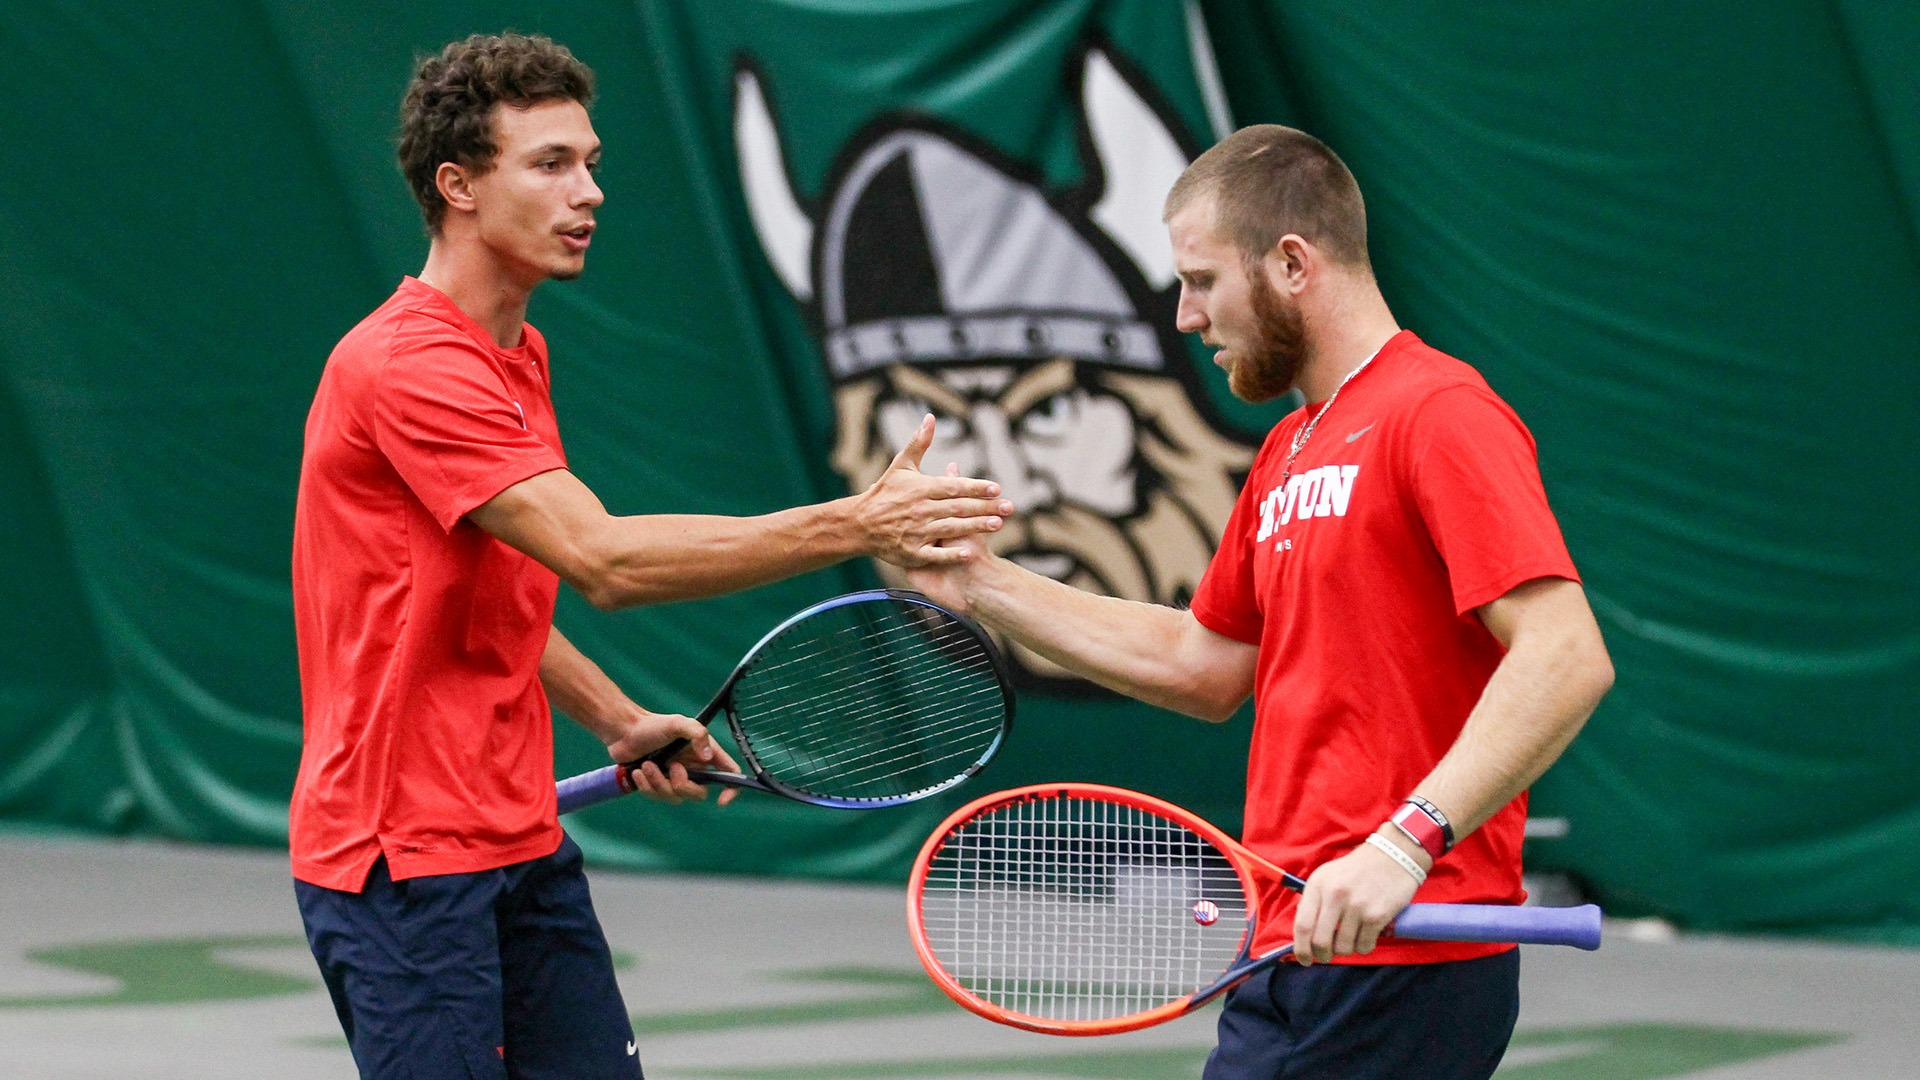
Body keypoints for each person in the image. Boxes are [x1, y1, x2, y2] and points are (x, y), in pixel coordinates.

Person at [288, 33, 1009, 1080]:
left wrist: (620, 720)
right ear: (459, 187)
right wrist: (857, 523)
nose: (589, 192)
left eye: (590, 162)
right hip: (402, 866)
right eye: (549, 165)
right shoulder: (411, 367)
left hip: (518, 841)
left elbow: (483, 598)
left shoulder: (513, 355)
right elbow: (605, 563)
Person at [908, 124, 1614, 1080]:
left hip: (1403, 951)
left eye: (1201, 282)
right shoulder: (1288, 454)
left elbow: (1566, 654)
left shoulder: (1439, 413)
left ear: (1290, 263)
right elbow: (1201, 665)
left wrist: (1403, 846)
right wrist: (982, 583)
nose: (1187, 317)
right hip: (1290, 949)